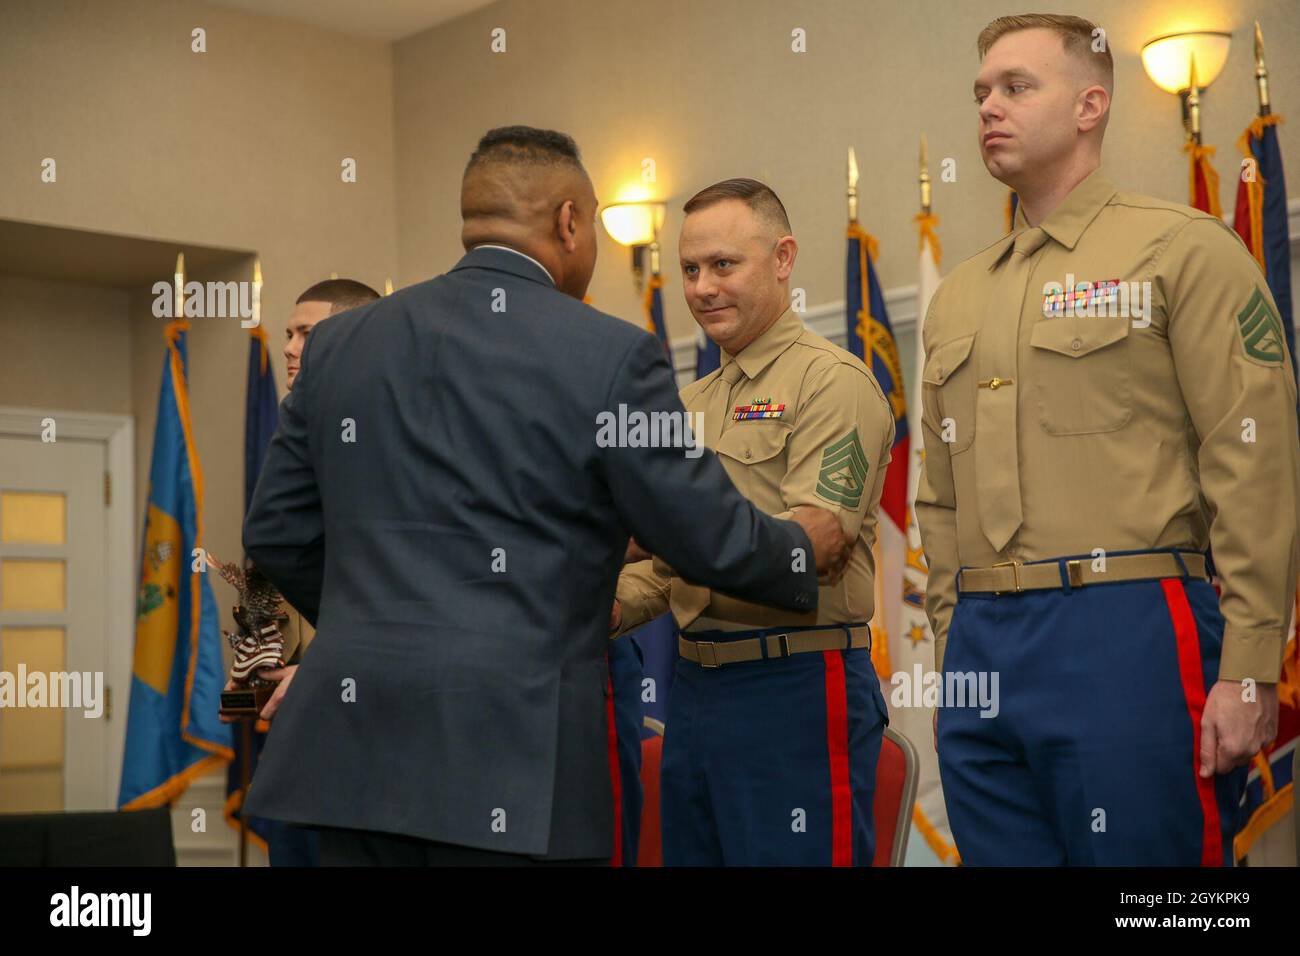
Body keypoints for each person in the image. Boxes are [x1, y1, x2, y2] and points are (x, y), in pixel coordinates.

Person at [242, 126, 851, 866]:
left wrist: (381, 619)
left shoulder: (341, 346)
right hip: (511, 766)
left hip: (341, 764)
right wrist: (796, 551)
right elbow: (700, 531)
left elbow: (275, 531)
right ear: (569, 221)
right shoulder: (608, 354)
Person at [916, 14, 1300, 865]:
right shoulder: (959, 297)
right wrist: (953, 654)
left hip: (1126, 626)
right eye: (981, 92)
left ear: (1091, 104)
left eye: (1017, 87)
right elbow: (938, 496)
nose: (989, 107)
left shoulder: (1181, 249)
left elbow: (1253, 462)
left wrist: (1248, 666)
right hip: (982, 640)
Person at [614, 179, 893, 866]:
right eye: (689, 269)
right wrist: (562, 609)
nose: (703, 287)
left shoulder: (834, 382)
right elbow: (662, 571)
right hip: (696, 691)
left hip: (795, 686)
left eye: (723, 264)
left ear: (783, 257)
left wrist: (660, 534)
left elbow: (813, 544)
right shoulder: (685, 403)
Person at [220, 278, 380, 867]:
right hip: (302, 715)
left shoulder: (381, 439)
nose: (289, 347)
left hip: (367, 710)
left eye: (306, 334)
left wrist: (338, 649)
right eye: (287, 333)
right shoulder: (300, 434)